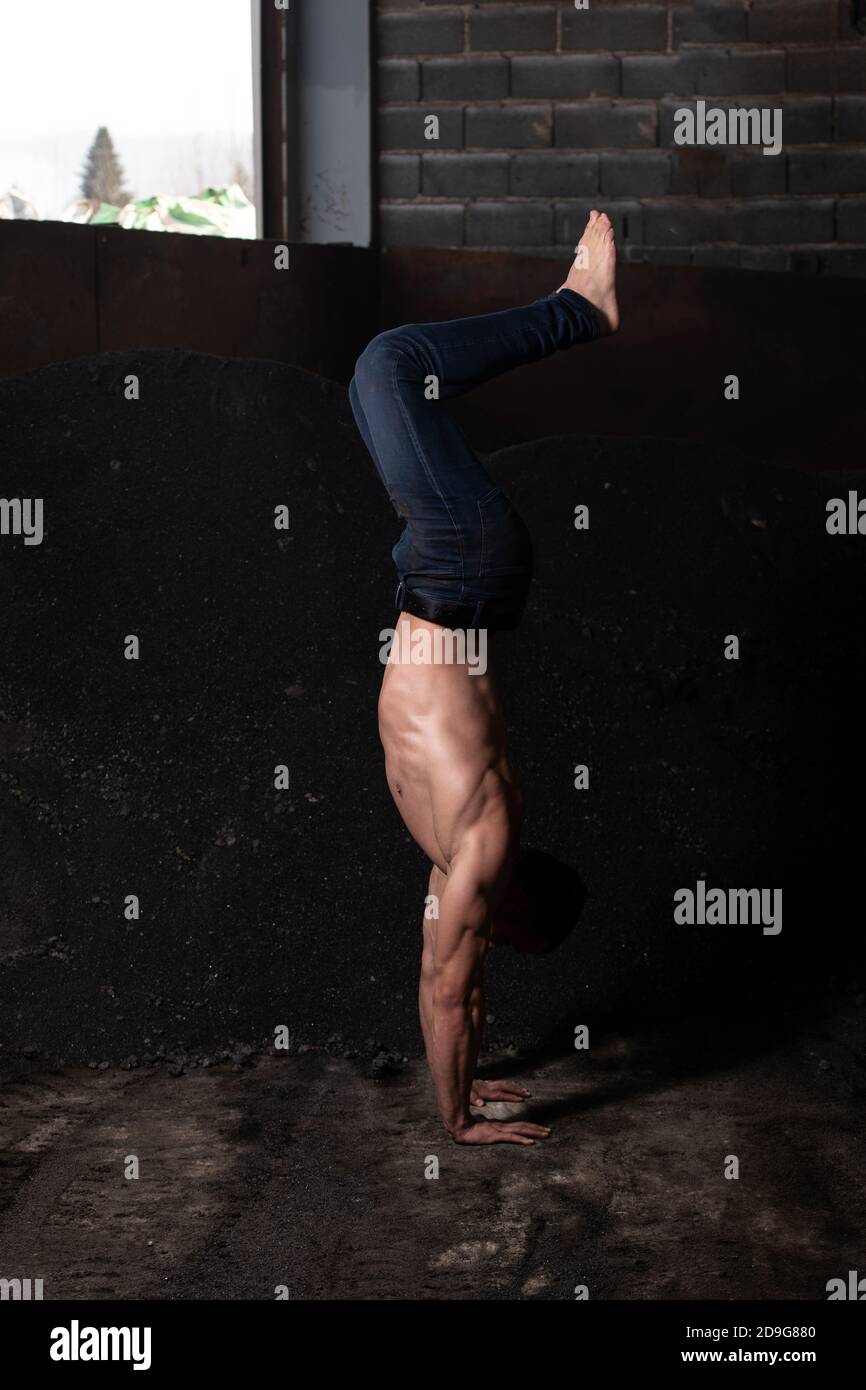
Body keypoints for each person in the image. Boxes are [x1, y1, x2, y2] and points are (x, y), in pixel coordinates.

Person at [349, 212, 618, 1146]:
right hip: (464, 567)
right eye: (515, 934)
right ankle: (578, 311)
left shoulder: (461, 858)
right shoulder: (483, 844)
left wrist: (469, 1091)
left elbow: (456, 985)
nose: (495, 942)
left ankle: (577, 310)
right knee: (387, 365)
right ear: (520, 899)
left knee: (382, 378)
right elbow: (450, 986)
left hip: (438, 580)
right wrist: (458, 1119)